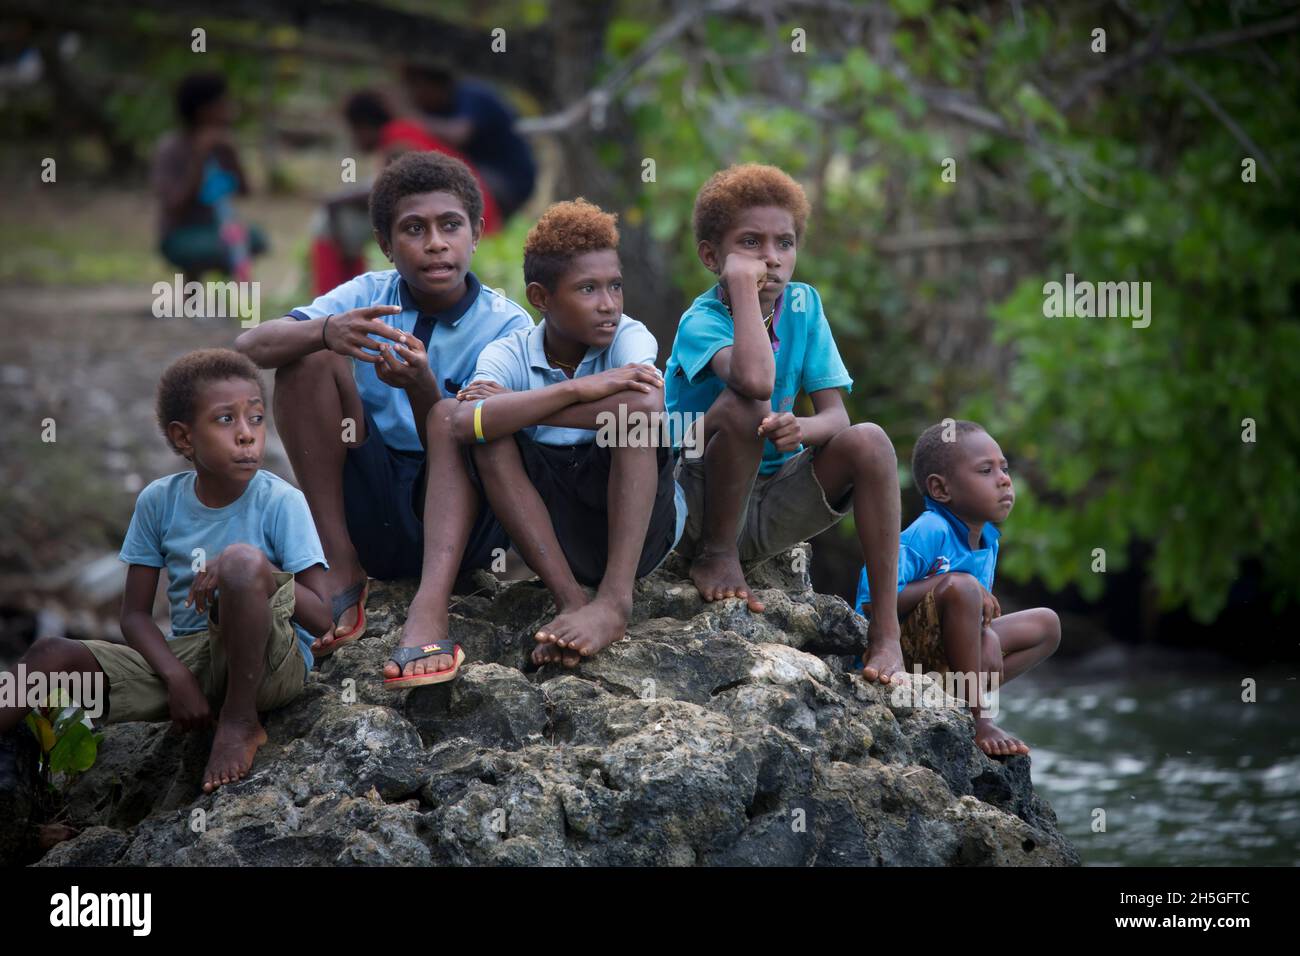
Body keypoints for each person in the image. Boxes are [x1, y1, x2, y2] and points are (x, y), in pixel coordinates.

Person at [235, 152, 530, 669]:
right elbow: (252, 345)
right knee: (305, 359)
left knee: (479, 423)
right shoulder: (370, 294)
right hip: (373, 504)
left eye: (450, 226)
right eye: (414, 229)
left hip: (463, 514)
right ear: (386, 244)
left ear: (477, 234)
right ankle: (340, 565)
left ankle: (430, 605)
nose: (435, 243)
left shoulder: (507, 326)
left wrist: (422, 388)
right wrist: (327, 331)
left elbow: (476, 439)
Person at [0, 349, 331, 793]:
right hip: (190, 660)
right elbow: (134, 615)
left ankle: (239, 722)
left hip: (268, 667)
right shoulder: (159, 501)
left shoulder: (281, 502)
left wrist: (258, 572)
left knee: (241, 560)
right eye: (225, 420)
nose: (247, 436)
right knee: (49, 656)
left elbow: (322, 619)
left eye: (255, 418)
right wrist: (176, 680)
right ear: (184, 438)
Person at [390, 199, 684, 678]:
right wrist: (577, 388)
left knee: (633, 422)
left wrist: (520, 408)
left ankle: (613, 602)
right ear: (541, 298)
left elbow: (646, 407)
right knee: (471, 425)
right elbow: (458, 423)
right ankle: (566, 602)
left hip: (636, 533)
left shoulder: (630, 338)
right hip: (554, 535)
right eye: (587, 289)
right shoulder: (508, 352)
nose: (608, 304)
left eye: (615, 286)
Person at [663, 163, 906, 684]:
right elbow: (751, 381)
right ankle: (718, 556)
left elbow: (836, 416)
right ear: (712, 256)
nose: (771, 258)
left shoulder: (804, 304)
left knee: (871, 442)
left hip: (774, 500)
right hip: (696, 501)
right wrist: (745, 294)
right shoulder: (700, 321)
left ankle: (886, 633)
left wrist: (802, 428)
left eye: (785, 243)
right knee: (746, 406)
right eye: (750, 243)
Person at [856, 419, 1061, 756]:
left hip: (942, 656)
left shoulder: (988, 541)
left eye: (1004, 468)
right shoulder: (929, 530)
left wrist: (987, 636)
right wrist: (950, 584)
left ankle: (958, 695)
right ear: (941, 490)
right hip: (895, 654)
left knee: (1046, 625)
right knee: (963, 588)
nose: (1004, 479)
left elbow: (970, 619)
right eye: (986, 471)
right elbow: (871, 601)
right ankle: (980, 718)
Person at [310, 89, 503, 295]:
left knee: (325, 223)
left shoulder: (397, 136)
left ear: (364, 125)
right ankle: (346, 292)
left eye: (354, 130)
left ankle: (332, 294)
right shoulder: (404, 131)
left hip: (466, 214)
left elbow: (397, 190)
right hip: (464, 214)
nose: (355, 139)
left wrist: (335, 200)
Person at [152, 72, 267, 283]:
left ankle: (226, 302)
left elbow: (244, 191)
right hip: (181, 233)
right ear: (203, 110)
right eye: (224, 103)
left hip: (219, 227)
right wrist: (199, 158)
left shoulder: (223, 147)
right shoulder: (171, 148)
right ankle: (195, 301)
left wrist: (233, 157)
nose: (231, 109)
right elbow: (174, 205)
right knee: (226, 244)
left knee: (250, 238)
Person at [402, 63, 536, 220]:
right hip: (484, 176)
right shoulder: (438, 107)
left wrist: (409, 115)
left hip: (508, 181)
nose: (413, 97)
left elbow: (459, 133)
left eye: (413, 88)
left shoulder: (470, 94)